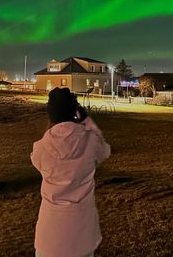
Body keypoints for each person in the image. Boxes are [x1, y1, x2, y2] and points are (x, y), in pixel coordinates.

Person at [31, 87, 111, 257]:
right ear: (75, 111)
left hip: (49, 234)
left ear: (50, 114)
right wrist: (88, 121)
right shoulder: (91, 141)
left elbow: (37, 161)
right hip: (82, 233)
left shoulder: (40, 148)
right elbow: (105, 151)